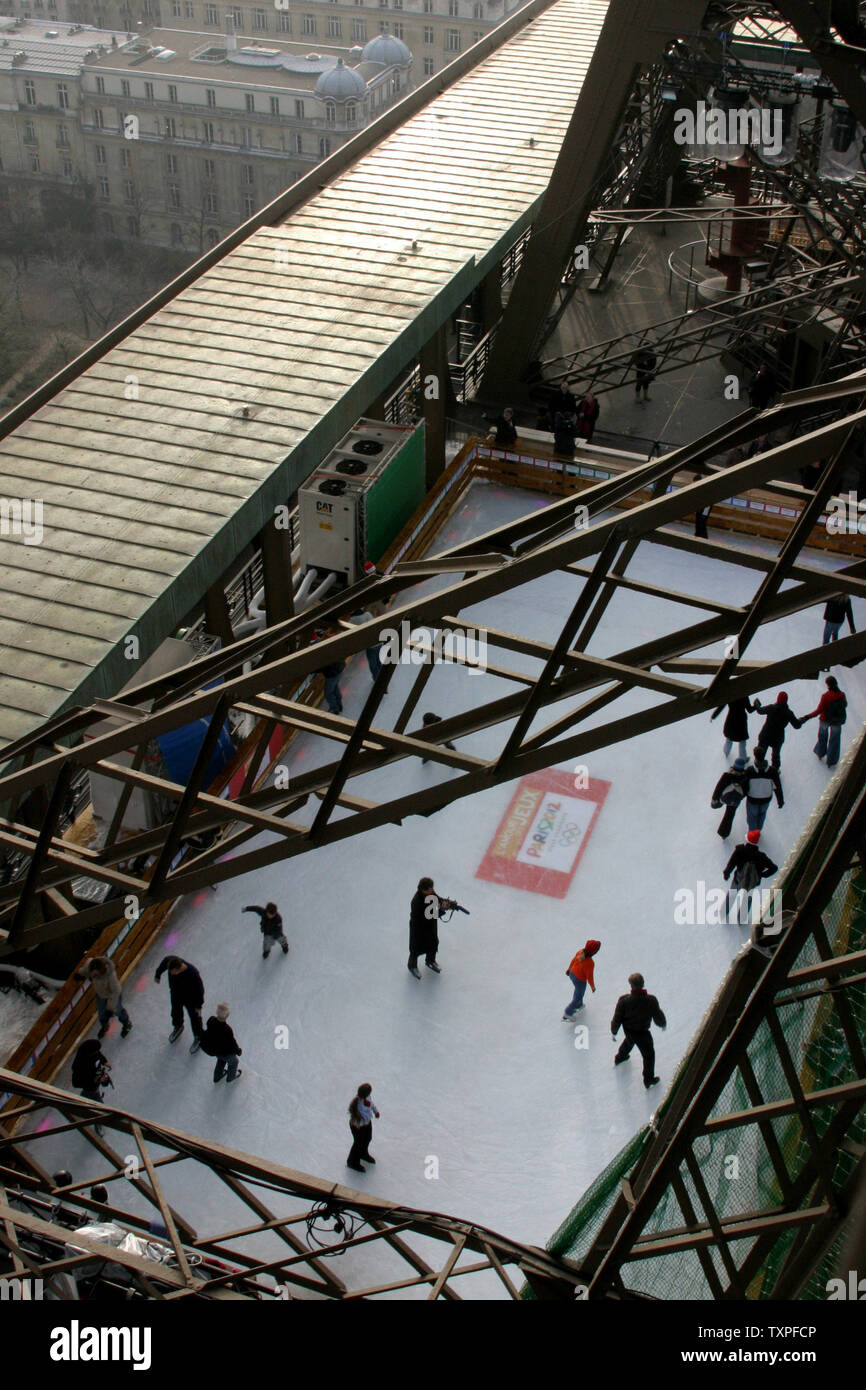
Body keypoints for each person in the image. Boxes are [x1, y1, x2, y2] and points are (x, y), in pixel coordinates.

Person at [611, 973, 666, 1089]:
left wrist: (614, 1031)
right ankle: (648, 1079)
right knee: (649, 1054)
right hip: (642, 1032)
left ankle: (620, 1057)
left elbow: (618, 1017)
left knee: (629, 1041)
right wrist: (662, 1023)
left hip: (629, 1030)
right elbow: (657, 1014)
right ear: (643, 984)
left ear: (631, 986)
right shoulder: (651, 1000)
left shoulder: (623, 1001)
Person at [723, 830, 777, 924]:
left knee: (732, 895)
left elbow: (732, 863)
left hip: (738, 880)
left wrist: (727, 873)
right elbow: (774, 868)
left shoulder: (740, 850)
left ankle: (724, 912)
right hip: (751, 884)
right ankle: (741, 918)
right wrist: (762, 875)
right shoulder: (761, 857)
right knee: (747, 900)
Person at [74, 955, 132, 1040]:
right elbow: (85, 970)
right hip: (101, 995)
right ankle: (105, 1026)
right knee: (101, 1014)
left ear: (101, 971)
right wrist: (80, 974)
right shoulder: (90, 966)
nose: (93, 976)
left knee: (118, 1011)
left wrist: (110, 1009)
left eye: (95, 974)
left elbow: (115, 992)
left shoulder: (110, 976)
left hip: (113, 995)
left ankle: (127, 1023)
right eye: (92, 974)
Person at [154, 955, 205, 1051]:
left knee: (195, 1018)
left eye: (172, 972)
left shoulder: (192, 974)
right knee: (175, 1011)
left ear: (178, 969)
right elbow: (165, 961)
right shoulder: (172, 961)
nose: (171, 974)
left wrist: (199, 1005)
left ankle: (199, 1036)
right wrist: (158, 974)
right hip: (176, 994)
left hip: (190, 999)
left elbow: (200, 990)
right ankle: (178, 1025)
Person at [407, 876, 456, 977]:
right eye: (430, 889)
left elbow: (437, 899)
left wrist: (448, 903)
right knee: (415, 948)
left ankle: (430, 961)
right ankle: (412, 966)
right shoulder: (417, 902)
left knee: (433, 943)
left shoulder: (431, 894)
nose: (432, 890)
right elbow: (429, 916)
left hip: (430, 926)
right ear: (423, 890)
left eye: (432, 888)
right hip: (419, 928)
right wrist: (443, 909)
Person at [753, 691, 804, 771]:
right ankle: (775, 770)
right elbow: (796, 725)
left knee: (761, 752)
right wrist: (802, 720)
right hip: (778, 738)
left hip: (766, 734)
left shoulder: (771, 708)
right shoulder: (788, 713)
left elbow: (760, 711)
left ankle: (759, 767)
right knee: (776, 755)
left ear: (778, 699)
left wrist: (757, 704)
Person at [805, 675, 848, 768]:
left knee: (822, 737)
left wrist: (807, 717)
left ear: (828, 685)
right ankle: (831, 761)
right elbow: (845, 705)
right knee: (835, 740)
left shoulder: (825, 696)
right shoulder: (842, 694)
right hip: (837, 722)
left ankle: (820, 753)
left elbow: (819, 710)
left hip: (825, 720)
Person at [71, 1039, 112, 1135]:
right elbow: (76, 1083)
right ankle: (97, 1124)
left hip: (94, 1085)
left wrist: (104, 1061)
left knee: (86, 1099)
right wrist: (94, 1080)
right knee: (100, 1108)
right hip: (91, 1088)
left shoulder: (93, 1053)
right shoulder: (80, 1065)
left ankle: (79, 1106)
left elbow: (99, 1054)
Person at [199, 1002, 243, 1084]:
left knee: (221, 1060)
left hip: (215, 1050)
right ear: (227, 1016)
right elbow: (232, 1043)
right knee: (234, 1062)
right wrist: (238, 1051)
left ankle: (217, 1076)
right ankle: (231, 1077)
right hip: (225, 1052)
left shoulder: (211, 1020)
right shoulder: (227, 1029)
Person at [711, 757, 750, 839]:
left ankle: (720, 803)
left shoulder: (727, 776)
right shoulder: (745, 777)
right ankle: (724, 833)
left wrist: (715, 799)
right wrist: (740, 797)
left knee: (722, 802)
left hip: (724, 797)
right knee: (730, 814)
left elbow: (719, 787)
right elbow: (746, 790)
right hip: (735, 799)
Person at [743, 753, 784, 833]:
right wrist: (780, 801)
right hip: (766, 799)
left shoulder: (750, 770)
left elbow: (744, 785)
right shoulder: (772, 771)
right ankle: (758, 830)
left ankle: (753, 835)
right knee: (762, 815)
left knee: (752, 817)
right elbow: (778, 787)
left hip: (752, 799)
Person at [562, 939, 600, 1020]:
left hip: (572, 973)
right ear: (594, 952)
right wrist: (592, 986)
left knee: (579, 992)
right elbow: (589, 976)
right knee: (578, 995)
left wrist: (569, 969)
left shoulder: (580, 952)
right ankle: (567, 1014)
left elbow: (573, 961)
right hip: (580, 980)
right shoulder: (590, 963)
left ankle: (579, 1005)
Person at [346, 1082, 379, 1173]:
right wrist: (359, 1119)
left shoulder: (368, 1098)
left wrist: (376, 1112)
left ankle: (363, 1153)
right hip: (358, 1126)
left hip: (367, 1123)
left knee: (368, 1138)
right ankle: (352, 1161)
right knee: (358, 1143)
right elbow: (354, 1113)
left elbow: (372, 1105)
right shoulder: (357, 1102)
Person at [711, 697, 755, 762]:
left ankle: (726, 753)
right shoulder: (744, 695)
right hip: (741, 721)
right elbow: (749, 710)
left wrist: (713, 716)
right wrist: (756, 706)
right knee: (742, 741)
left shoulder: (731, 694)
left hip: (731, 720)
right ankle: (743, 758)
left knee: (729, 738)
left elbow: (721, 706)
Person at [348, 609, 383, 680]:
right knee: (378, 660)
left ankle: (377, 679)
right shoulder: (367, 614)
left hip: (370, 645)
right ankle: (382, 676)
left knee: (373, 664)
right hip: (378, 640)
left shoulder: (353, 620)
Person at [692, 473, 711, 538]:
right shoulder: (698, 486)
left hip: (706, 506)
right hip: (701, 505)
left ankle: (703, 537)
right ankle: (697, 534)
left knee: (702, 521)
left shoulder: (705, 486)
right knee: (698, 520)